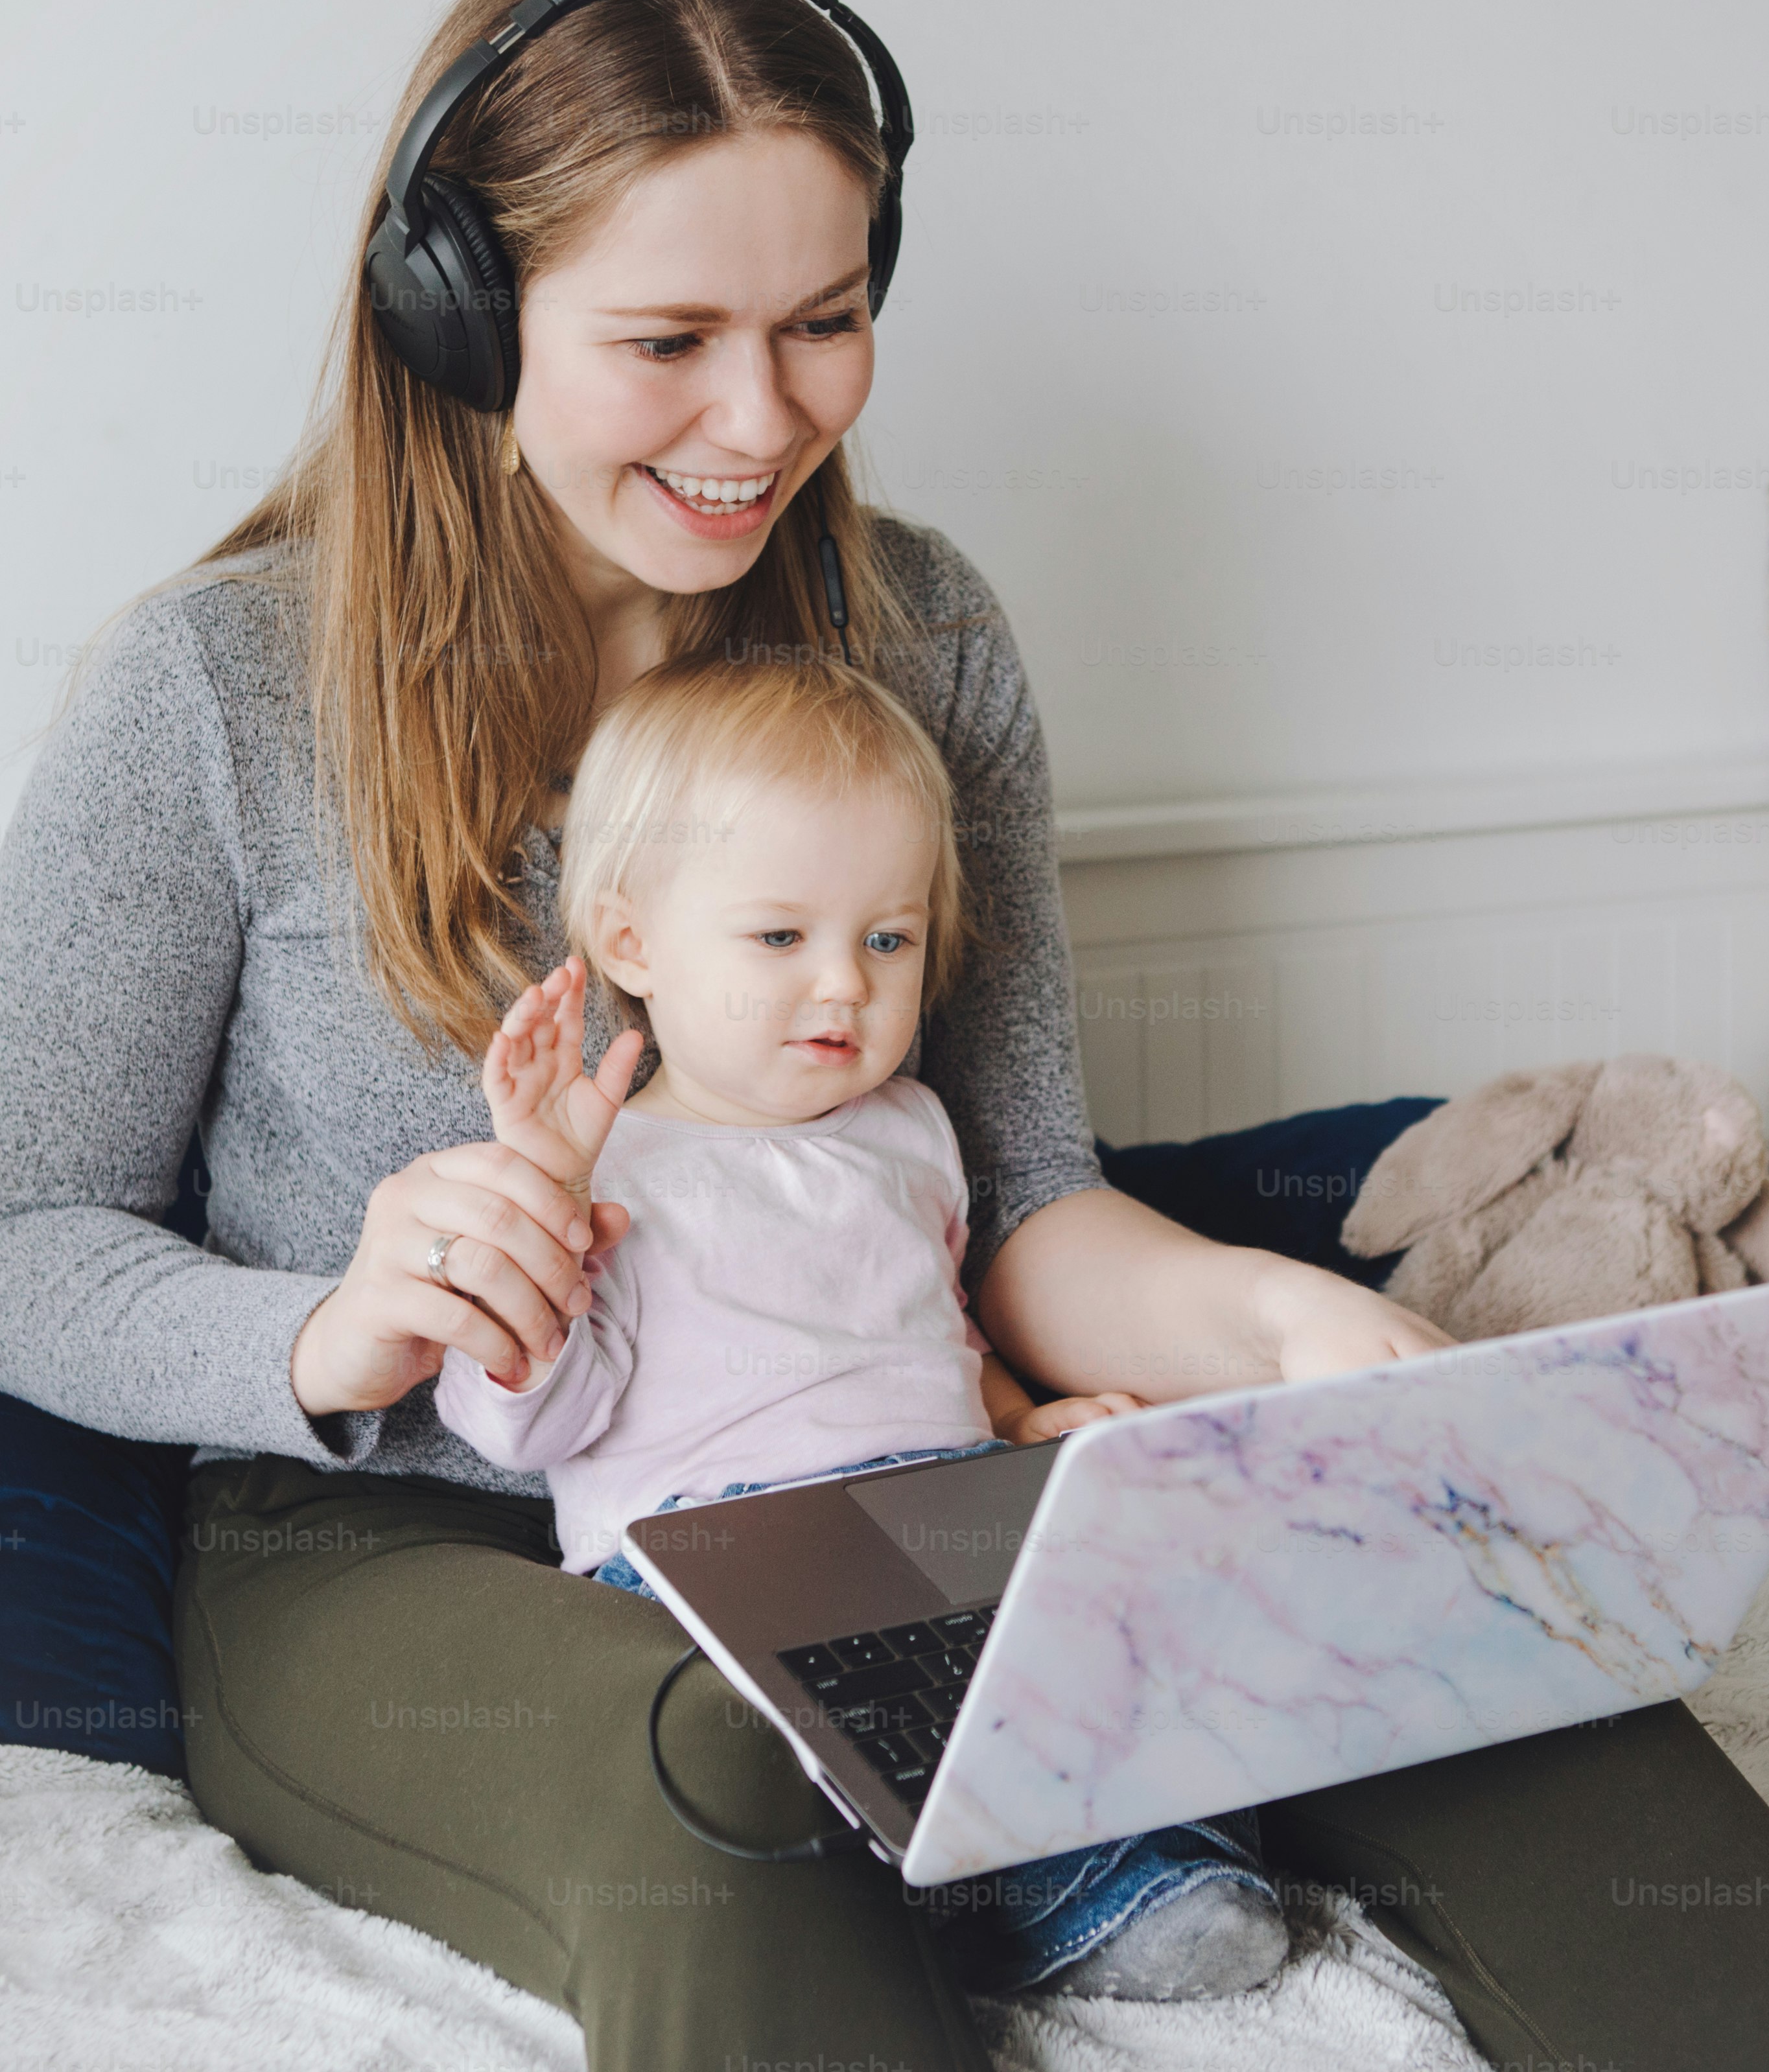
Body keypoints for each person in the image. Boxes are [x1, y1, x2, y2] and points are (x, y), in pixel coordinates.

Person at [0, 0, 1769, 2072]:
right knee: (731, 1765)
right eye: (668, 340)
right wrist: (321, 1327)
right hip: (400, 1538)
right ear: (460, 310)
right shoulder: (212, 691)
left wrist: (1292, 1337)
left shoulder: (922, 640)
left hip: (891, 1476)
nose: (763, 419)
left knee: (1480, 1611)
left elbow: (1026, 1202)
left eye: (824, 322)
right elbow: (6, 1248)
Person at [439, 655, 1283, 2000]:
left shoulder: (911, 1131)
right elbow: (527, 1418)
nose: (845, 986)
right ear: (633, 943)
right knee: (852, 1726)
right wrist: (541, 1201)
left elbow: (927, 1327)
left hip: (923, 1518)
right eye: (780, 939)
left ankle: (1134, 1845)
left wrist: (1015, 1412)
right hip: (699, 1563)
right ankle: (1063, 1902)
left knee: (1126, 1611)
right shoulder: (606, 1176)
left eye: (886, 941)